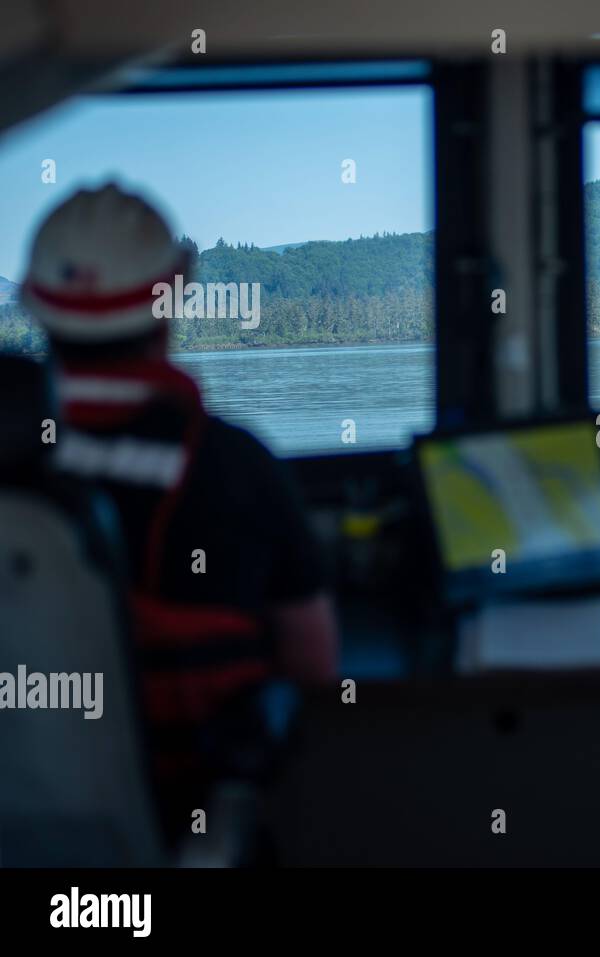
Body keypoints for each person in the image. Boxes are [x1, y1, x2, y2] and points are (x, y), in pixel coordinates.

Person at [20, 183, 340, 842]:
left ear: (37, 307)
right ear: (174, 294)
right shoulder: (236, 467)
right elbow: (315, 665)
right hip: (177, 833)